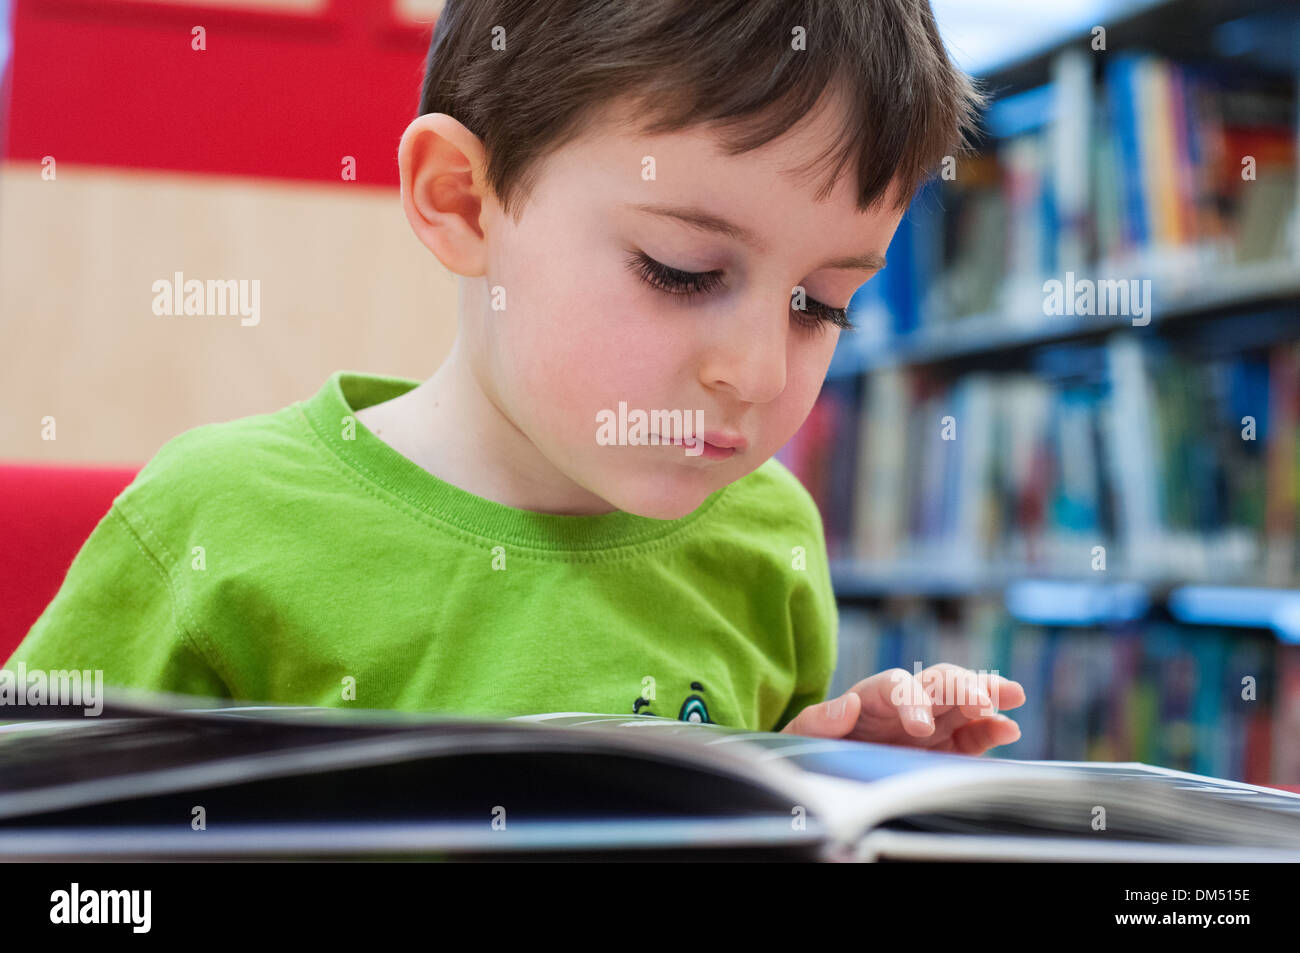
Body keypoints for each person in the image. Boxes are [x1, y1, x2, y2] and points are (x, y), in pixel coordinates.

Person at [8, 0, 1023, 750]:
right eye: (682, 271)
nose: (756, 372)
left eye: (822, 303)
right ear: (461, 202)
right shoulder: (213, 521)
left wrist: (841, 775)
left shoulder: (770, 538)